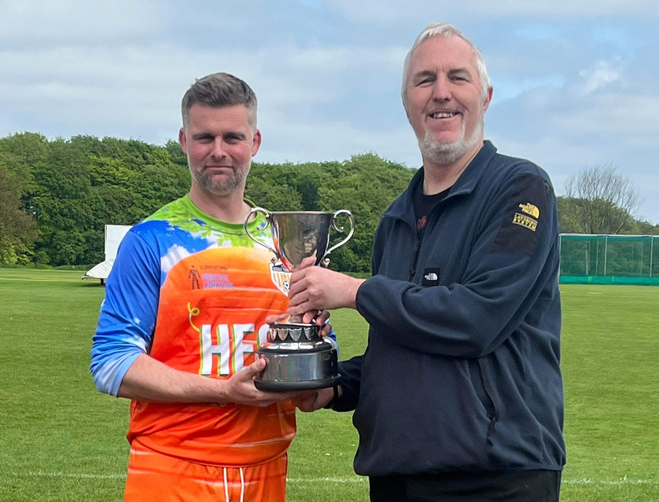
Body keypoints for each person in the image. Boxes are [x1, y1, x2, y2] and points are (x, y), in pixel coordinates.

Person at [288, 22, 565, 501]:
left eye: (458, 78)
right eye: (424, 80)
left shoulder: (520, 189)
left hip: (496, 480)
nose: (441, 93)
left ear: (486, 96)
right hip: (397, 477)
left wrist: (356, 291)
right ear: (407, 103)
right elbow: (396, 352)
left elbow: (477, 319)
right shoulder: (396, 218)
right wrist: (333, 386)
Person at [90, 72, 328, 502]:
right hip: (172, 471)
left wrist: (314, 372)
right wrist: (222, 391)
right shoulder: (152, 240)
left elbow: (306, 365)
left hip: (267, 473)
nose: (218, 152)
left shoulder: (283, 240)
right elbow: (111, 363)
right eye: (204, 138)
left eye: (232, 137)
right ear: (184, 140)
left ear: (254, 142)